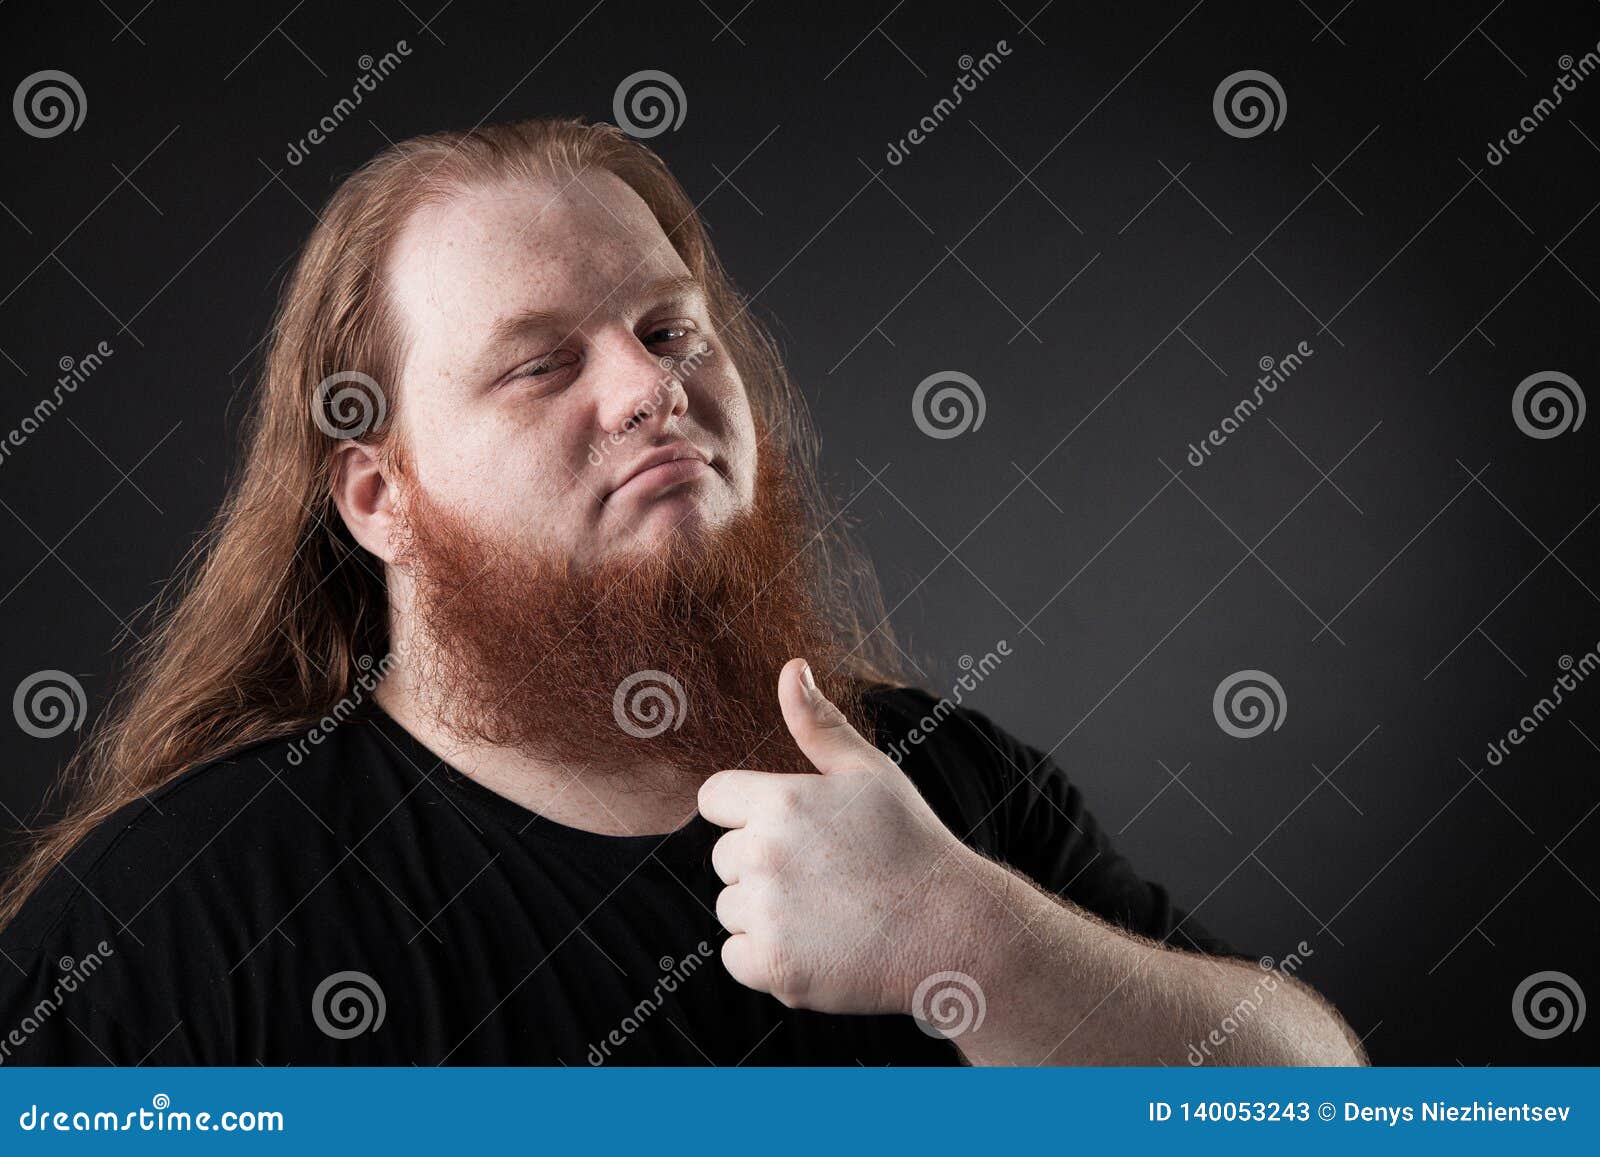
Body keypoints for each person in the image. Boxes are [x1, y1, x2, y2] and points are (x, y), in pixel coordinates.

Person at [0, 118, 1363, 1066]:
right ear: (378, 498)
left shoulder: (948, 792)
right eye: (541, 362)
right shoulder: (166, 922)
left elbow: (1329, 1108)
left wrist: (971, 934)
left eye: (668, 329)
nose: (654, 386)